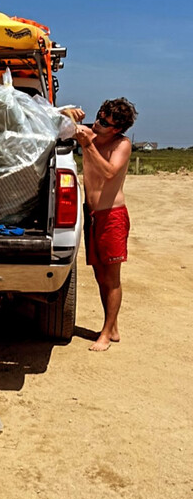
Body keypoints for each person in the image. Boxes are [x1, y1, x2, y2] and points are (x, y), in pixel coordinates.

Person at [73, 98, 138, 351]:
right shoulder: (90, 133)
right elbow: (59, 123)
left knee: (111, 277)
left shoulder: (121, 144)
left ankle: (106, 333)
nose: (97, 123)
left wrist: (88, 145)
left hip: (112, 215)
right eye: (99, 117)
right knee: (100, 275)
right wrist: (68, 111)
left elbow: (109, 172)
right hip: (92, 215)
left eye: (104, 122)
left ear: (116, 128)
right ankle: (112, 327)